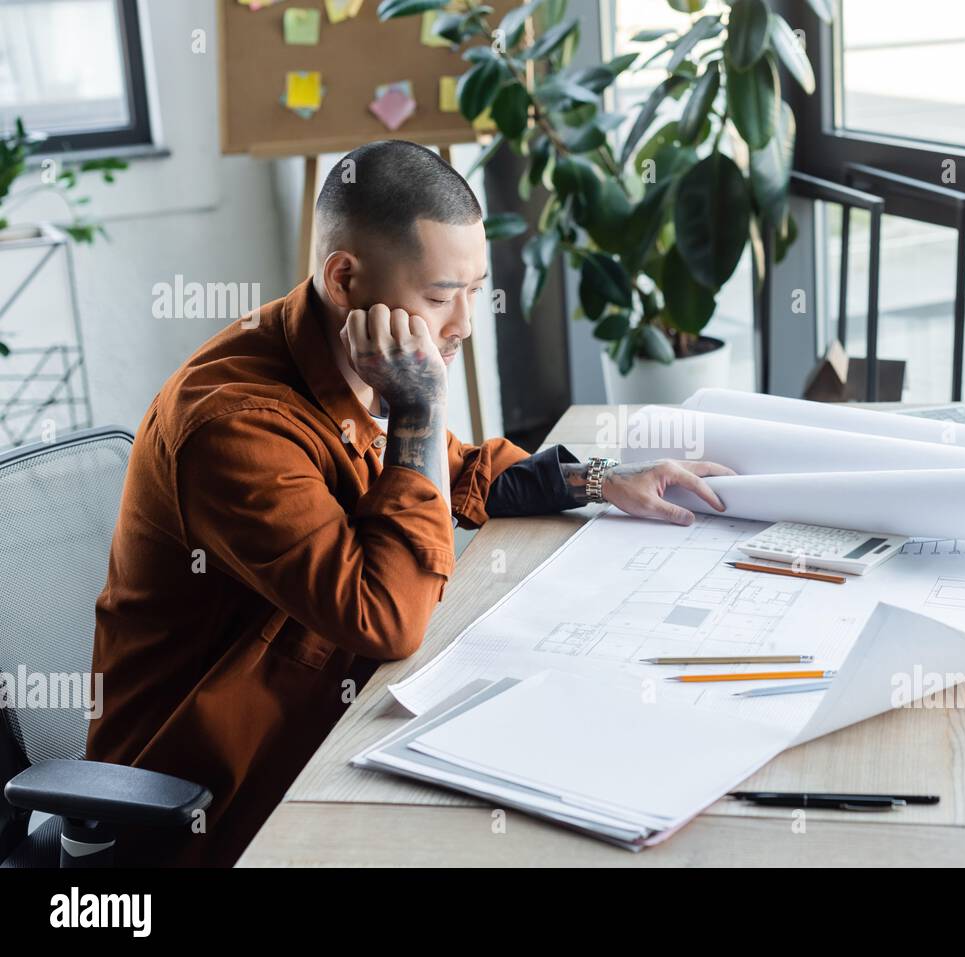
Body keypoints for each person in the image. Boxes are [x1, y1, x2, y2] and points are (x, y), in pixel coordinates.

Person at [86, 140, 733, 866]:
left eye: (472, 288)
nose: (461, 322)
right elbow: (385, 618)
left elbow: (451, 469)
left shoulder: (340, 351)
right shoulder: (234, 426)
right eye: (437, 295)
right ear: (344, 277)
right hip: (206, 807)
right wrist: (419, 403)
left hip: (326, 724)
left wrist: (600, 477)